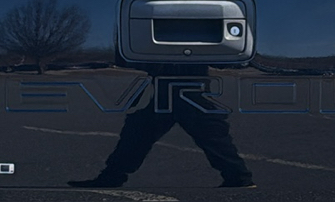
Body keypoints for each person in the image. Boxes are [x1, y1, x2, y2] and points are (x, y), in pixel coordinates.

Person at [70, 66, 254, 189]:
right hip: (167, 88)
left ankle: (238, 176)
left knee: (210, 132)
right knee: (138, 131)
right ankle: (112, 176)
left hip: (186, 87)